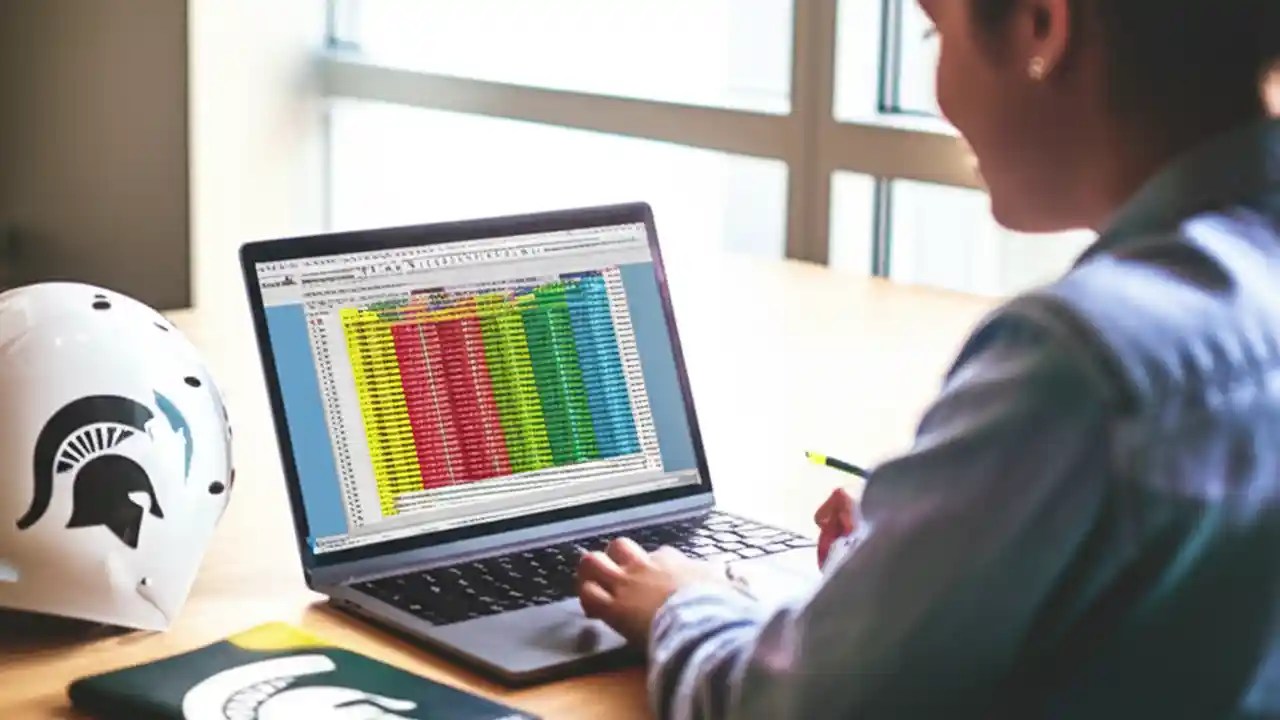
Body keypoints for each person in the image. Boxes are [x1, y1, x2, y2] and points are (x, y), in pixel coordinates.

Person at [574, 0, 1280, 717]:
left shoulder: (1080, 363)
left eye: (934, 32)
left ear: (1043, 26)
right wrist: (937, 537)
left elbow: (788, 709)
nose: (936, 96)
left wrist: (686, 604)